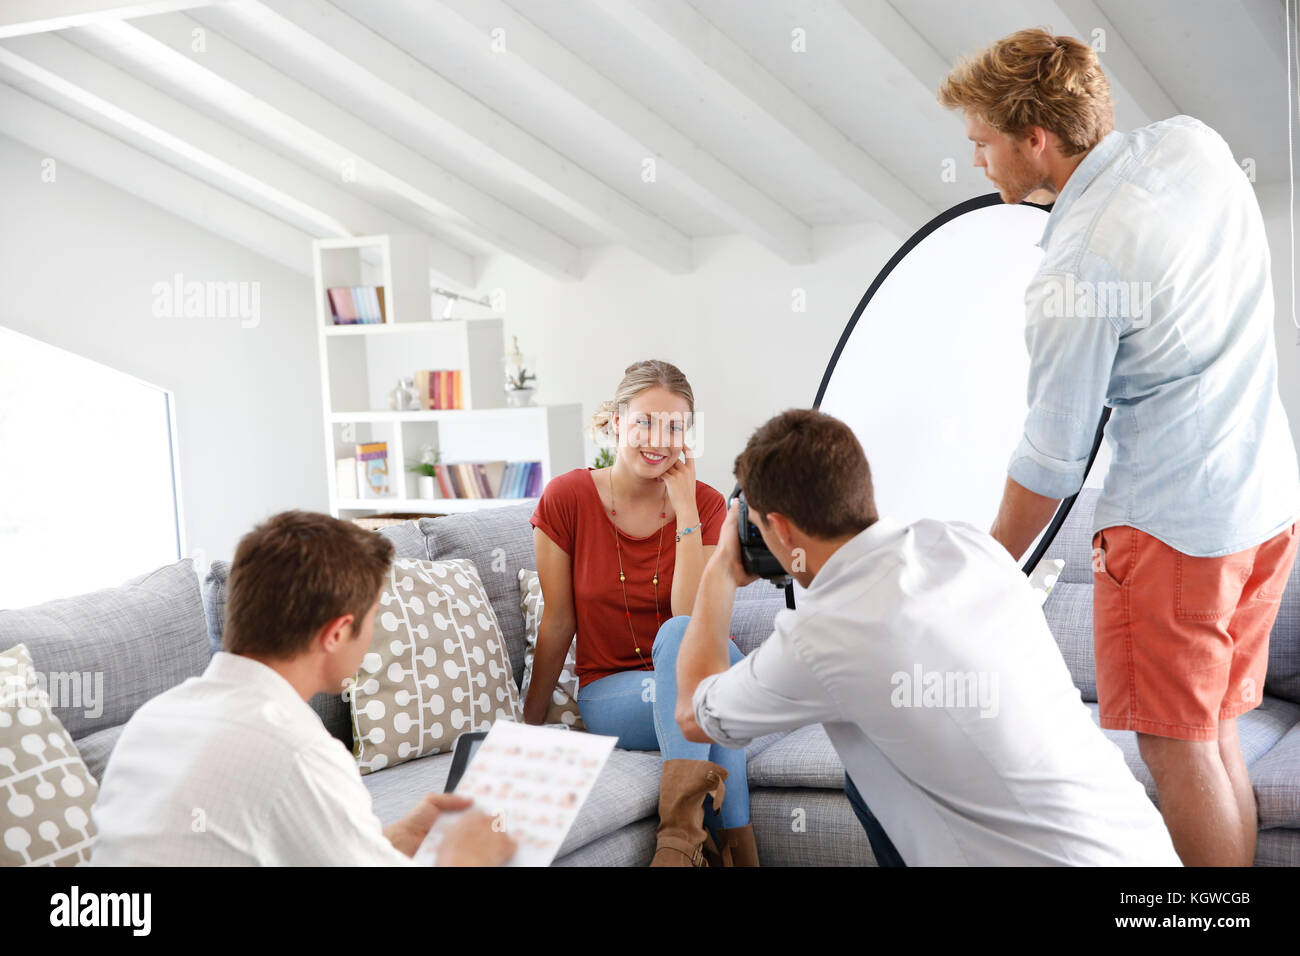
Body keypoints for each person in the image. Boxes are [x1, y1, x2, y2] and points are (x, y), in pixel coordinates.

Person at [938, 28, 1300, 865]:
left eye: (982, 143)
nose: (976, 163)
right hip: (1267, 506)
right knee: (1211, 732)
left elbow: (1052, 459)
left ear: (1035, 137)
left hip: (1175, 529)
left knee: (1176, 748)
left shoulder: (1080, 261)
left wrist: (990, 566)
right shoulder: (1192, 143)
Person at [676, 408, 1182, 866]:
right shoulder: (967, 544)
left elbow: (692, 717)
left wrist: (721, 569)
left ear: (781, 530)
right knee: (866, 769)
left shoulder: (821, 633)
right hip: (1146, 854)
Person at [90, 510, 515, 867]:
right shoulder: (298, 750)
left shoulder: (155, 717)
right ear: (336, 634)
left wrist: (399, 838)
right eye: (370, 622)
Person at [525, 359, 754, 866]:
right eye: (645, 421)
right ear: (615, 422)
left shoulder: (710, 504)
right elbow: (558, 621)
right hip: (614, 689)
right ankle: (736, 853)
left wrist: (687, 511)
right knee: (714, 704)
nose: (660, 438)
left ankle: (677, 846)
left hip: (702, 667)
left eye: (675, 426)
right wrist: (527, 724)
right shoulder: (567, 499)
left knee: (682, 640)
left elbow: (691, 619)